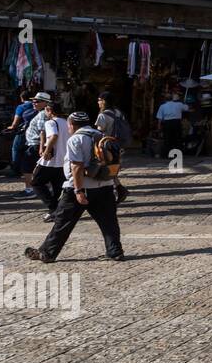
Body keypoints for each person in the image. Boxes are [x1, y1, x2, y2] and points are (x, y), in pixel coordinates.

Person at [24, 112, 124, 264]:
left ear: (72, 125)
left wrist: (78, 191)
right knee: (109, 221)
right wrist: (117, 184)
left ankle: (47, 253)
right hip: (104, 186)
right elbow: (110, 165)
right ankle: (115, 251)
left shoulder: (76, 139)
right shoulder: (102, 136)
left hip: (78, 188)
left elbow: (76, 167)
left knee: (62, 222)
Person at [30, 100, 68, 223]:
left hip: (51, 160)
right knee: (57, 187)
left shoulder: (51, 122)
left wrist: (47, 150)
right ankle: (56, 211)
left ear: (50, 110)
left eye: (46, 110)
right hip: (63, 160)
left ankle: (53, 208)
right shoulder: (66, 122)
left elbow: (54, 136)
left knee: (36, 182)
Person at [96, 92, 131, 202]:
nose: (98, 102)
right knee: (112, 169)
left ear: (104, 101)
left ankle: (115, 191)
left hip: (107, 145)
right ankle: (119, 189)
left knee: (106, 169)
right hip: (118, 145)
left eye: (99, 100)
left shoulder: (103, 115)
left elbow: (98, 132)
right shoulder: (118, 112)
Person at [156, 92, 189, 158]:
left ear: (165, 99)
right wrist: (184, 102)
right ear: (172, 99)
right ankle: (177, 155)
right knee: (177, 139)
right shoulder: (179, 104)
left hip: (167, 124)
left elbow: (159, 118)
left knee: (167, 139)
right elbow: (186, 108)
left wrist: (159, 127)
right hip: (176, 123)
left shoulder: (162, 106)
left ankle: (167, 155)